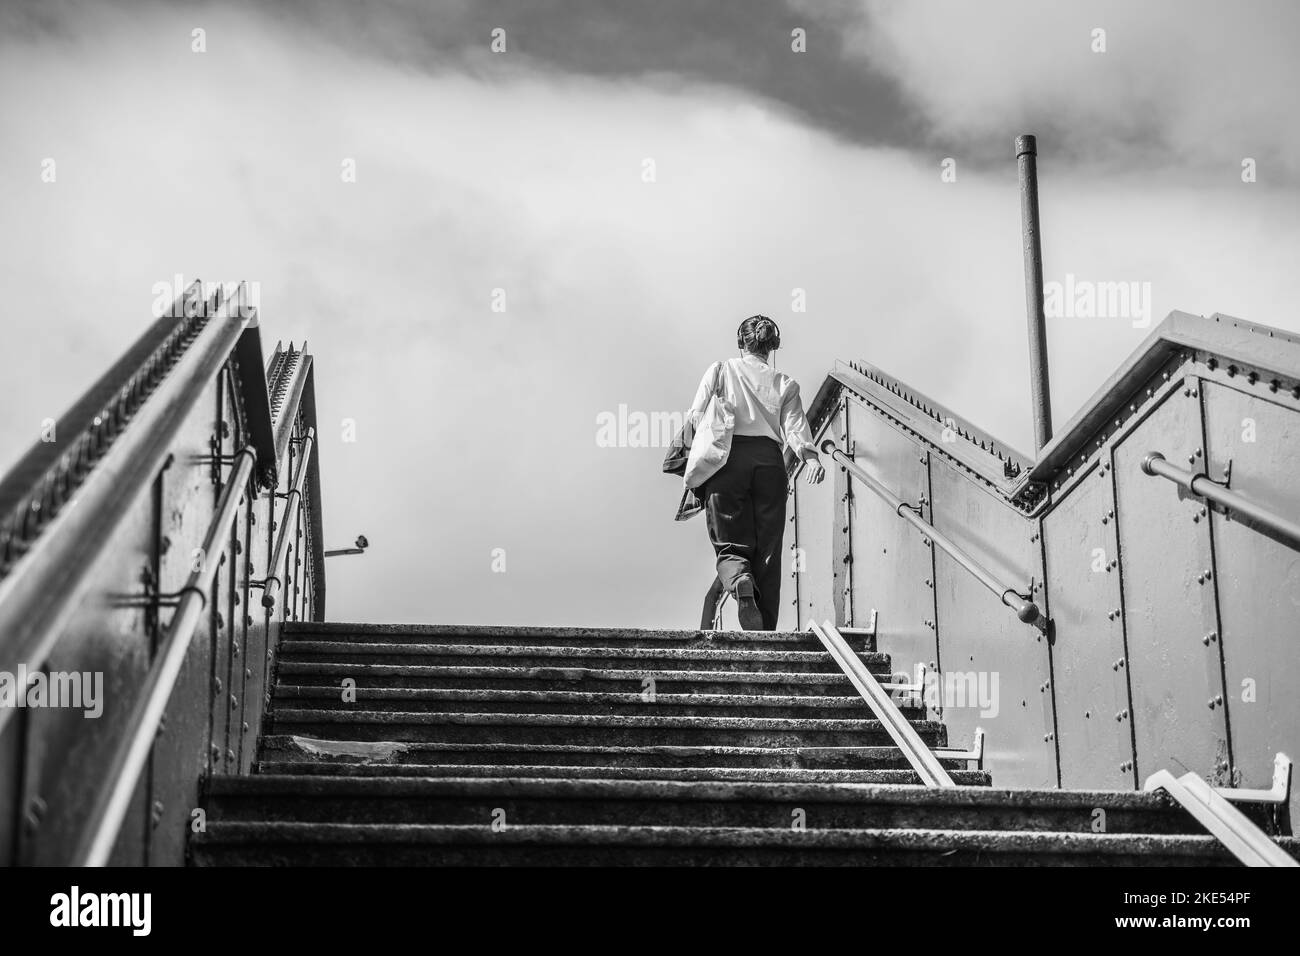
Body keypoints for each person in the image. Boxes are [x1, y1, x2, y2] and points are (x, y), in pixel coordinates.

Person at [685, 316, 825, 631]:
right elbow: (795, 427)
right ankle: (763, 629)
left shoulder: (721, 370)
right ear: (772, 347)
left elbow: (695, 417)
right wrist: (811, 458)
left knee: (730, 542)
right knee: (768, 550)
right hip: (770, 465)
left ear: (740, 342)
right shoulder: (785, 383)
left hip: (726, 461)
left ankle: (740, 580)